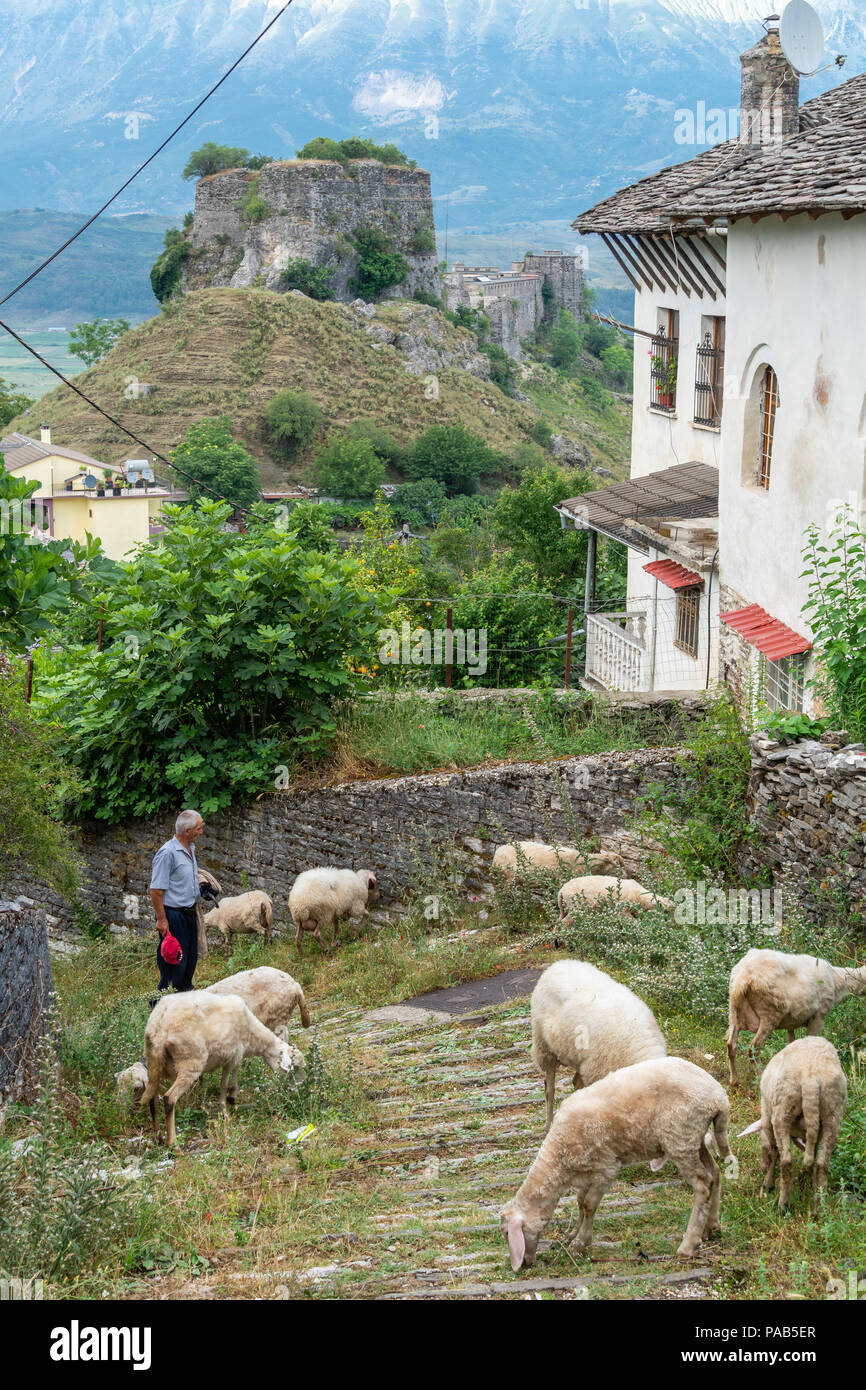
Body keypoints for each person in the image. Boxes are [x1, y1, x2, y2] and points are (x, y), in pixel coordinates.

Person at [149, 809, 205, 993]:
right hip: (173, 916)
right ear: (187, 831)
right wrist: (162, 919)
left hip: (189, 913)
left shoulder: (190, 848)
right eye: (198, 828)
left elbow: (184, 879)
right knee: (174, 963)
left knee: (189, 962)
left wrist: (201, 888)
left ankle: (185, 999)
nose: (201, 832)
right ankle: (161, 1005)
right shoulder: (167, 853)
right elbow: (156, 890)